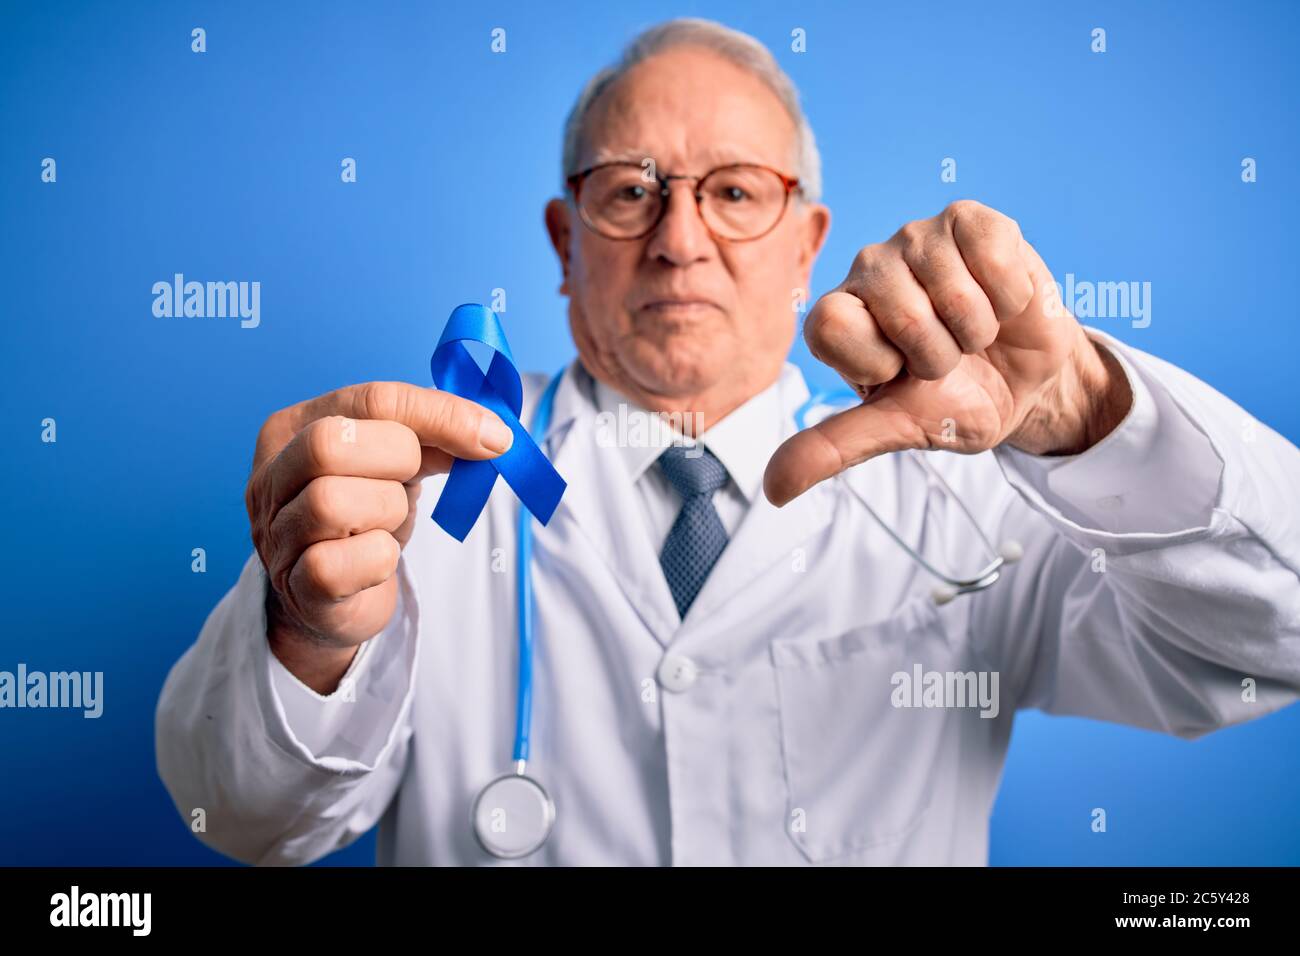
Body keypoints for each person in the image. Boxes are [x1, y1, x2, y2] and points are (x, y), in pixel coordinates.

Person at [155, 18, 1300, 865]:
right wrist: (305, 634)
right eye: (627, 193)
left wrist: (1088, 418)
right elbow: (241, 811)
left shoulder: (965, 488)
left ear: (807, 243)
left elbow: (1276, 636)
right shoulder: (415, 487)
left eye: (736, 192)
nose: (679, 239)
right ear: (564, 241)